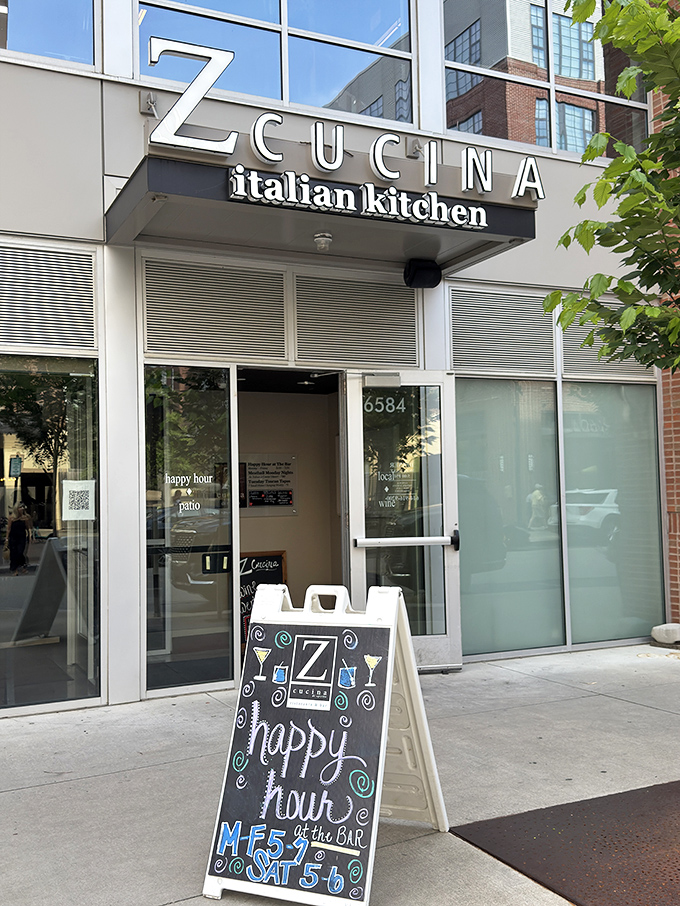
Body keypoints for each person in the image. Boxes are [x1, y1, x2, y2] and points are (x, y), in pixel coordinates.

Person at [6, 504, 33, 576]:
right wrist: (6, 538)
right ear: (16, 509)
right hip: (13, 538)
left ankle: (22, 565)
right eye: (20, 507)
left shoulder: (25, 518)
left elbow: (28, 528)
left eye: (22, 507)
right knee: (13, 553)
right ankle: (15, 569)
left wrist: (30, 536)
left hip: (22, 537)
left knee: (20, 552)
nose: (22, 509)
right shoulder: (12, 518)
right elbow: (8, 529)